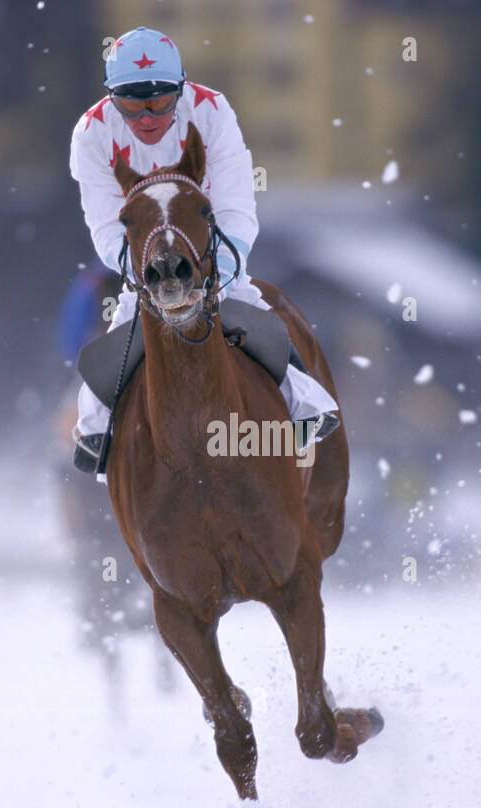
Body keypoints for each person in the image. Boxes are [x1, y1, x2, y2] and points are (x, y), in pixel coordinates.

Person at [67, 25, 340, 473]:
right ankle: (98, 432)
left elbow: (235, 209)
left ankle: (304, 405)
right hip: (146, 268)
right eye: (130, 104)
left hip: (207, 256)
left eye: (157, 101)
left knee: (251, 313)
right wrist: (142, 277)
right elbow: (104, 226)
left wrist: (221, 276)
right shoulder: (91, 133)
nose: (146, 118)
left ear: (180, 89)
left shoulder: (212, 111)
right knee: (111, 360)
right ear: (111, 98)